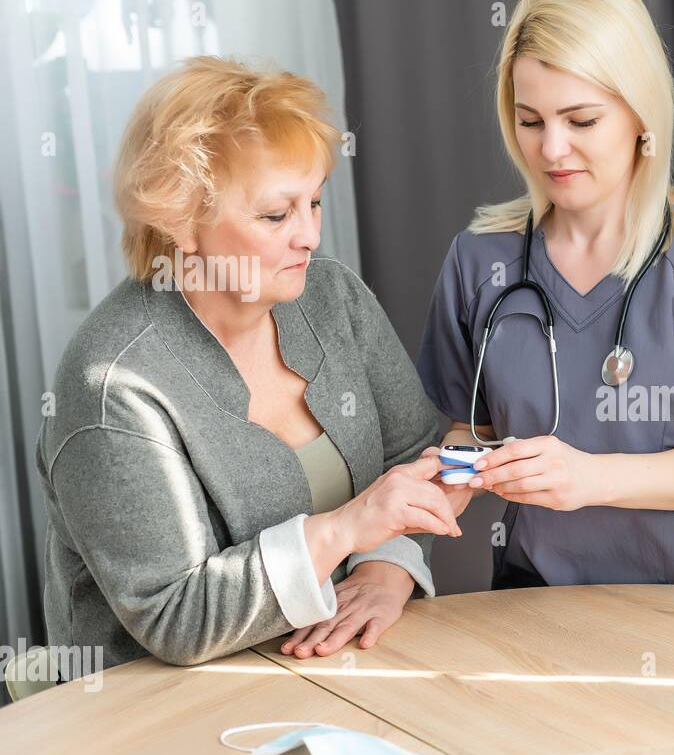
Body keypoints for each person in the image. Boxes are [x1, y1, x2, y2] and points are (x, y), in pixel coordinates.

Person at [39, 56, 470, 673]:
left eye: (314, 203)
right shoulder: (115, 384)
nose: (310, 236)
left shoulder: (331, 297)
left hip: (336, 668)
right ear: (181, 220)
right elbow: (172, 617)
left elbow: (413, 455)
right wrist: (346, 529)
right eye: (276, 214)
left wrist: (384, 569)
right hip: (160, 708)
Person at [418, 0, 674, 591]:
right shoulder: (479, 262)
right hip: (541, 601)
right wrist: (455, 471)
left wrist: (592, 479)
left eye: (581, 120)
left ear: (640, 117)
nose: (552, 149)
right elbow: (475, 428)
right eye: (530, 120)